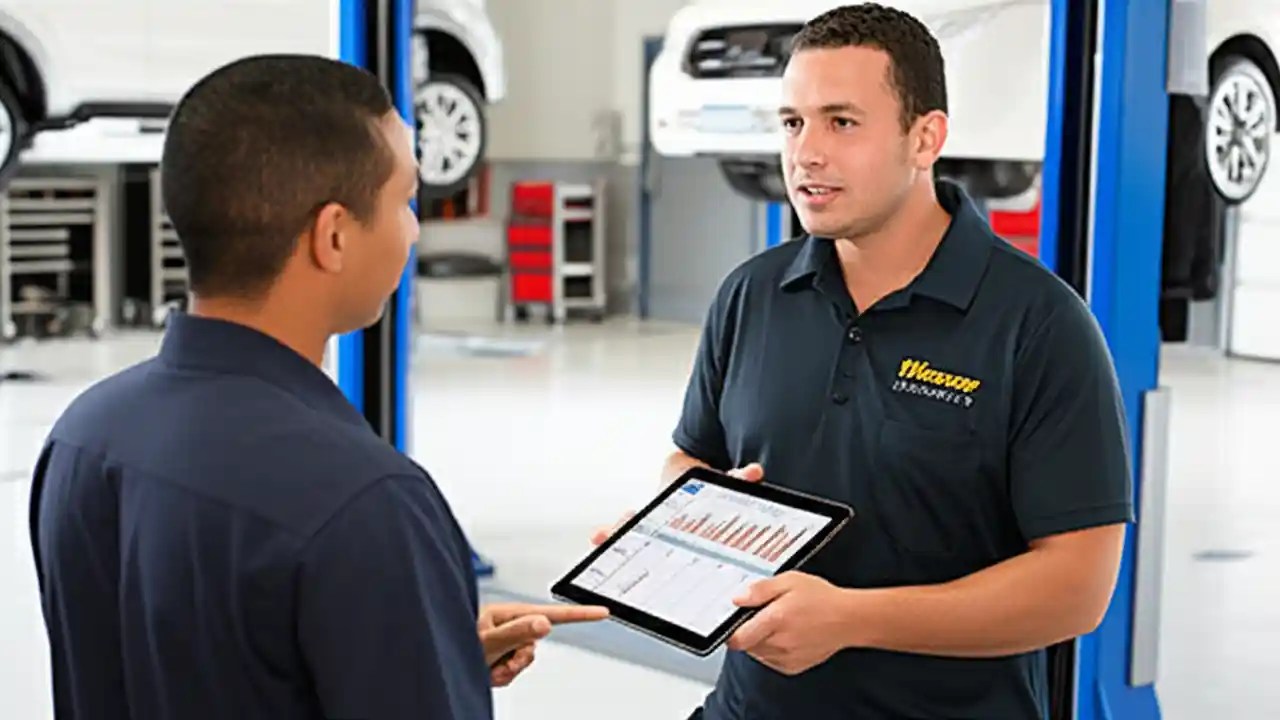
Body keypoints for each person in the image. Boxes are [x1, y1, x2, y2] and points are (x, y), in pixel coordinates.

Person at [593, 4, 1132, 719]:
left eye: (842, 122)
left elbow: (1077, 588)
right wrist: (679, 533)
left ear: (925, 137)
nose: (806, 153)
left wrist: (851, 618)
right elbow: (692, 460)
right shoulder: (752, 294)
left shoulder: (1037, 324)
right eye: (793, 122)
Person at [29, 55, 606, 720]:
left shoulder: (84, 436)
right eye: (404, 201)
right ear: (333, 236)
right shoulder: (365, 502)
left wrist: (418, 648)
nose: (414, 230)